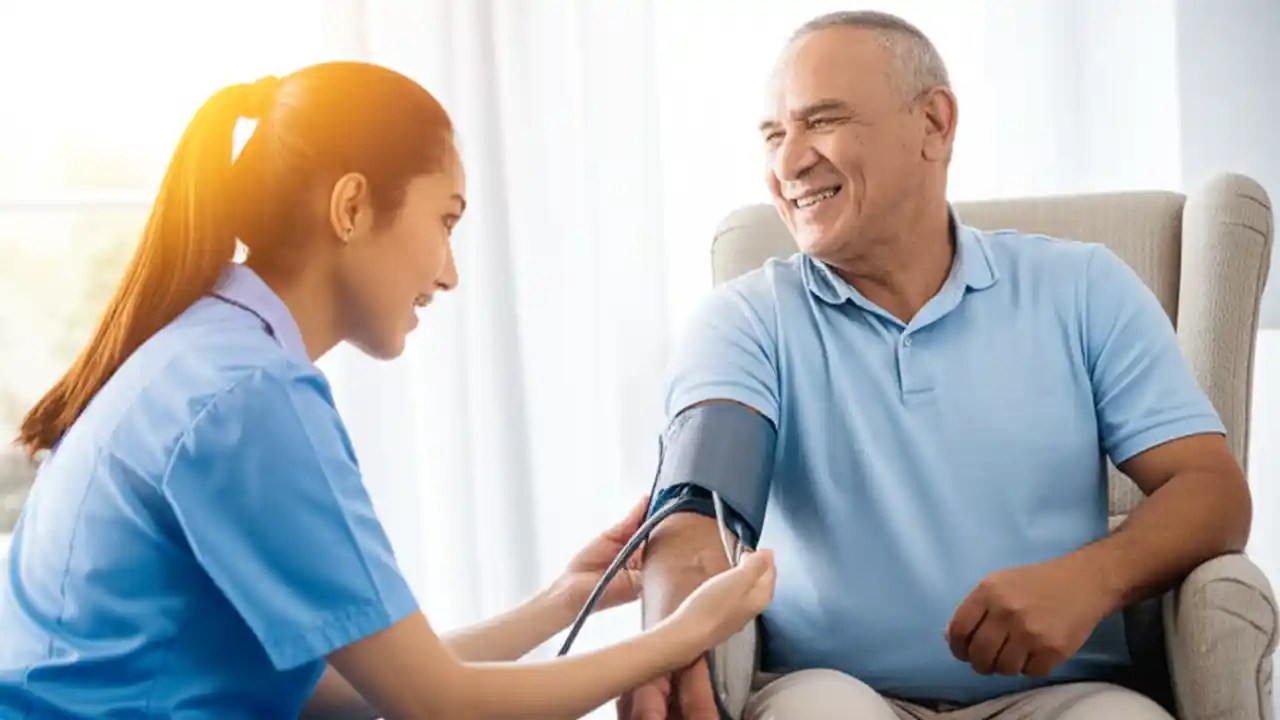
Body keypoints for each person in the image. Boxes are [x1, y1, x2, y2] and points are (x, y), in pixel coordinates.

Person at [0, 61, 776, 719]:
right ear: (350, 207)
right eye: (444, 221)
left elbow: (349, 685)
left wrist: (561, 602)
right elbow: (435, 704)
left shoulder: (207, 356)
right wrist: (680, 634)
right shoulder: (249, 398)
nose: (449, 271)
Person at [620, 11, 1251, 720]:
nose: (788, 163)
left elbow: (1212, 491)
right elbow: (696, 513)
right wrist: (663, 648)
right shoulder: (744, 320)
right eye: (773, 135)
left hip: (1061, 696)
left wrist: (1090, 578)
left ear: (935, 123)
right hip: (834, 689)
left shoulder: (1083, 291)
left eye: (821, 121)